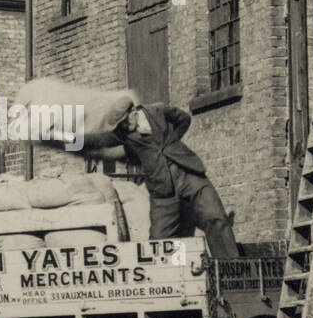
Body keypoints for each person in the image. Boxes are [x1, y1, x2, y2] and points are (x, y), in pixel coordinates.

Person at [67, 98, 239, 259]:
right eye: (121, 126)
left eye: (126, 121)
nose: (125, 127)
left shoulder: (158, 110)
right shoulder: (123, 133)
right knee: (159, 238)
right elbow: (101, 140)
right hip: (162, 187)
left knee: (216, 217)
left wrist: (172, 143)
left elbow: (184, 119)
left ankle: (231, 272)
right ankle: (171, 280)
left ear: (134, 111)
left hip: (188, 173)